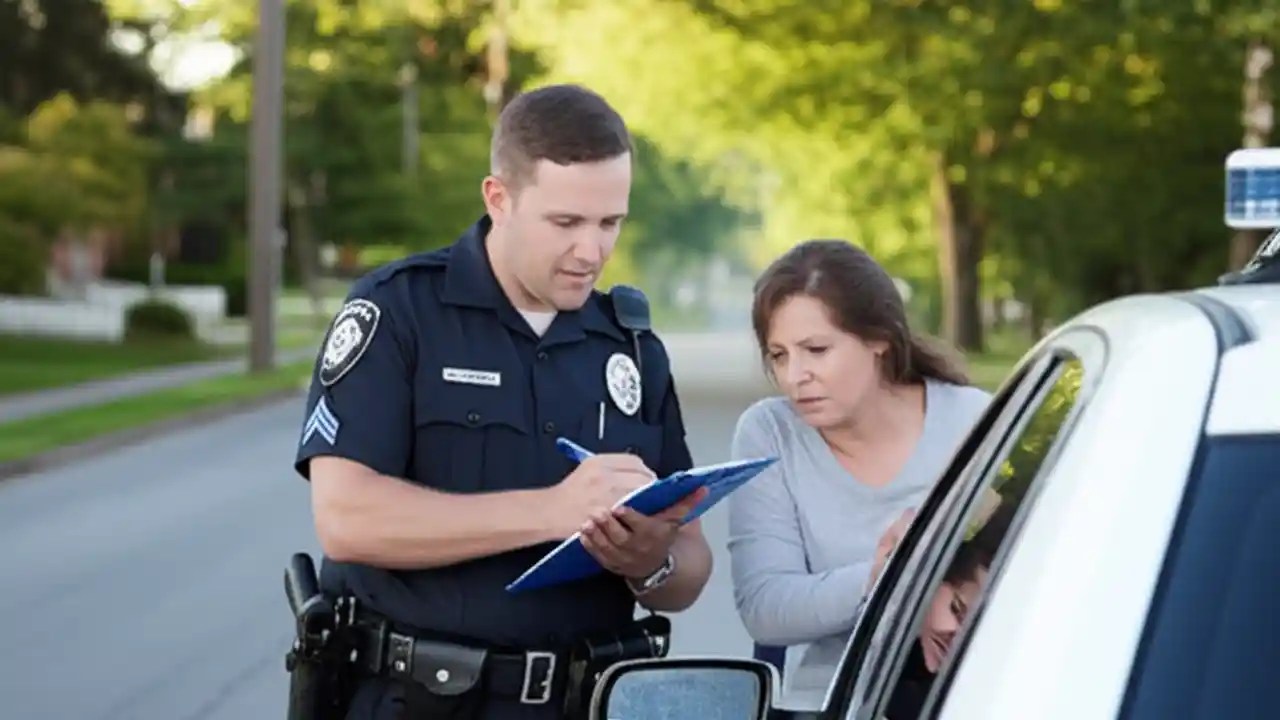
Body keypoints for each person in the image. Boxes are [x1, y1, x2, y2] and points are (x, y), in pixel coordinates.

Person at [290, 83, 713, 720]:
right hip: (418, 702)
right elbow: (347, 519)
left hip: (587, 701)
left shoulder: (629, 346)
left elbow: (691, 566)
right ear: (500, 199)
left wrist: (650, 563)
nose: (591, 251)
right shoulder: (399, 312)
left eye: (609, 223)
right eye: (566, 223)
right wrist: (555, 512)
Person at [726, 239, 991, 710]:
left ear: (879, 340)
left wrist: (943, 585)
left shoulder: (971, 420)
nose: (795, 376)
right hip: (830, 700)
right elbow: (766, 608)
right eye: (780, 355)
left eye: (816, 349)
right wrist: (892, 576)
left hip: (965, 693)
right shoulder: (770, 433)